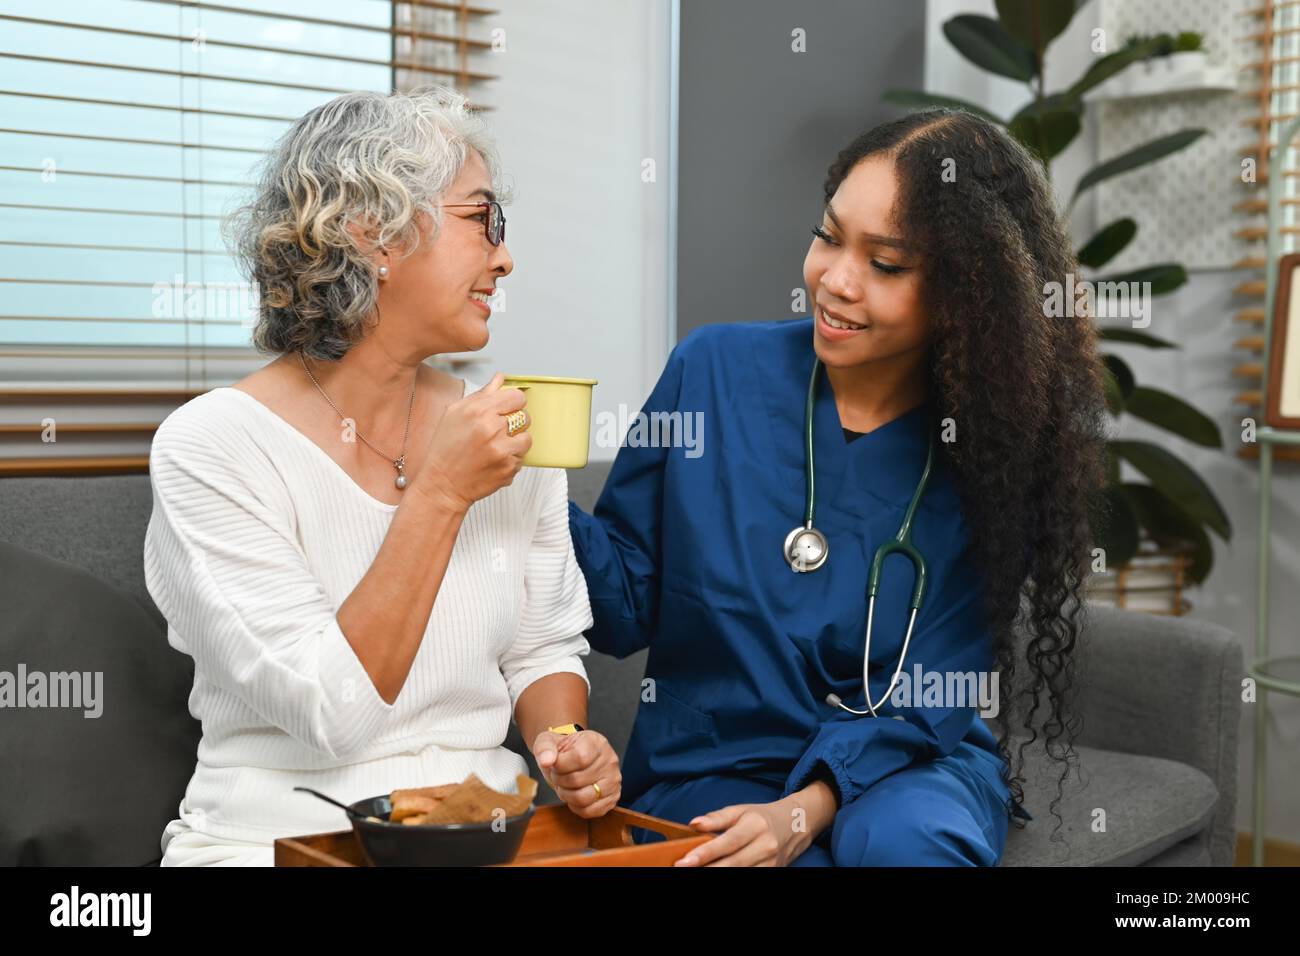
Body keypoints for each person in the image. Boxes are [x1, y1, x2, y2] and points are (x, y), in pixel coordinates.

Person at [567, 108, 1108, 866]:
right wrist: (519, 487)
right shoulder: (713, 372)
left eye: (885, 264)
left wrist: (806, 808)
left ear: (966, 296)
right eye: (828, 236)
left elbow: (938, 688)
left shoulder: (990, 453)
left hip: (905, 766)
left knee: (907, 843)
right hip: (716, 763)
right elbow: (620, 605)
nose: (835, 280)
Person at [145, 87, 621, 866]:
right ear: (374, 234)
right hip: (279, 839)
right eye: (481, 220)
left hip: (480, 833)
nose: (505, 257)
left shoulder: (503, 426)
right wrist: (439, 494)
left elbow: (543, 647)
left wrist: (565, 744)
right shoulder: (212, 448)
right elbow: (330, 711)